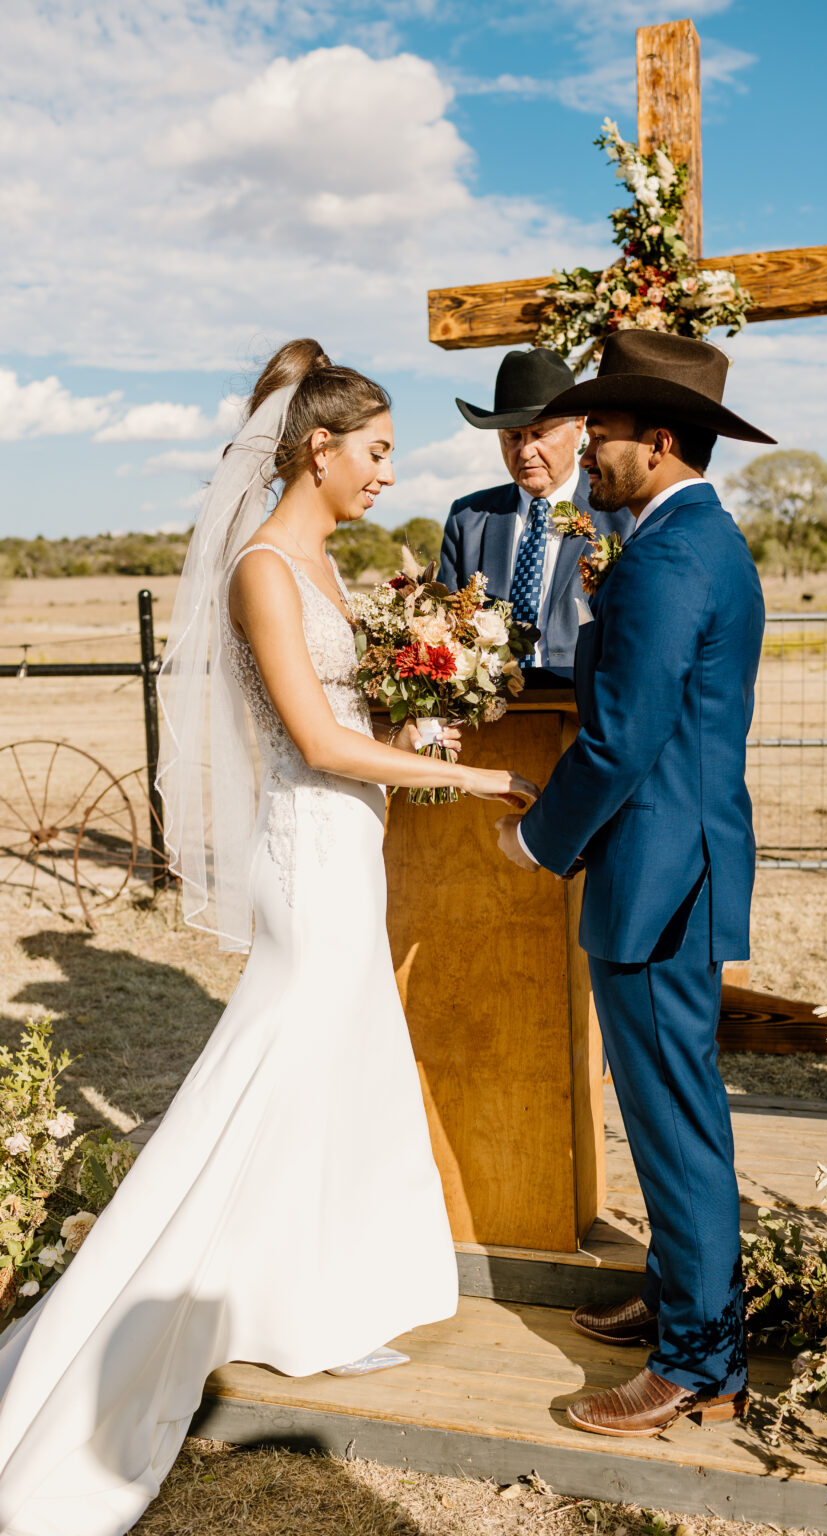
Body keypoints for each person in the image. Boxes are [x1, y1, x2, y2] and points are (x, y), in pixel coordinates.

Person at [0, 338, 537, 1536]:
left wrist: (423, 726)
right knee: (281, 1066)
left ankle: (311, 1299)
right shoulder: (261, 569)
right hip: (308, 850)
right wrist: (469, 776)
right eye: (377, 451)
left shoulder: (324, 564)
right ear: (318, 449)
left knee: (332, 1071)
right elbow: (318, 741)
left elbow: (351, 709)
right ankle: (179, 1290)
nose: (388, 473)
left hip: (352, 844)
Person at [495, 329, 776, 1437]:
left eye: (600, 429)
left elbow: (618, 741)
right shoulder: (696, 538)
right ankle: (677, 1291)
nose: (586, 450)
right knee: (670, 1106)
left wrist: (535, 841)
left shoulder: (665, 558)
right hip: (674, 864)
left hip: (658, 878)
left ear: (657, 440)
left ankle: (698, 1361)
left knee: (673, 1116)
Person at [438, 347, 631, 680]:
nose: (525, 451)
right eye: (512, 436)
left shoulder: (622, 517)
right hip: (493, 705)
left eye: (540, 434)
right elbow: (447, 629)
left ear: (579, 428)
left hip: (588, 701)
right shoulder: (468, 518)